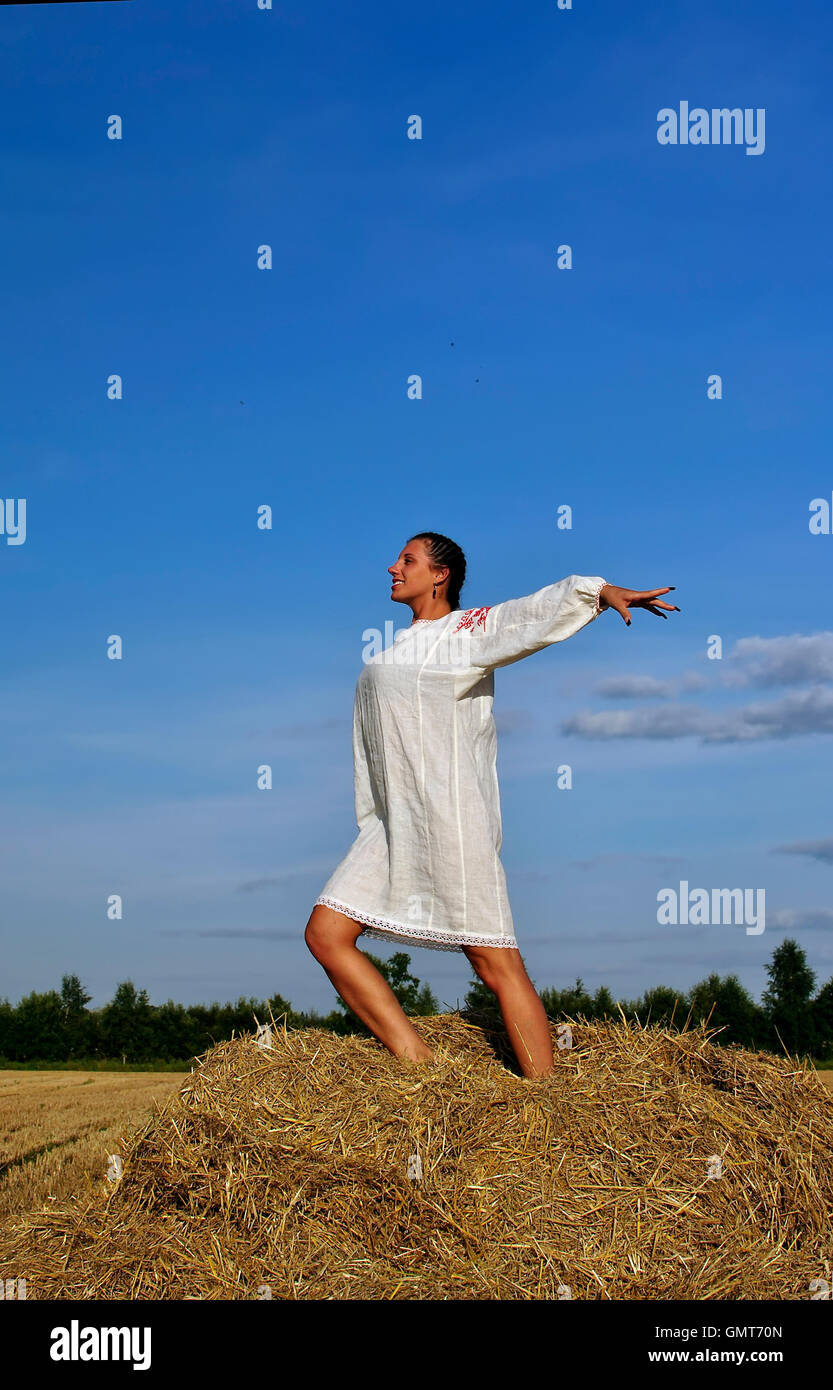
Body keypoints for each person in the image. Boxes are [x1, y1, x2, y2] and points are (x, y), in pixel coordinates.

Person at [304, 532, 679, 1079]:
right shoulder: (394, 648)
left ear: (440, 576)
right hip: (391, 825)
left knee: (494, 963)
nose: (392, 567)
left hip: (451, 820)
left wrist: (597, 592)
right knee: (326, 934)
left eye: (407, 560)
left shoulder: (464, 634)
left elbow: (525, 616)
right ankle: (425, 1070)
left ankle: (548, 1101)